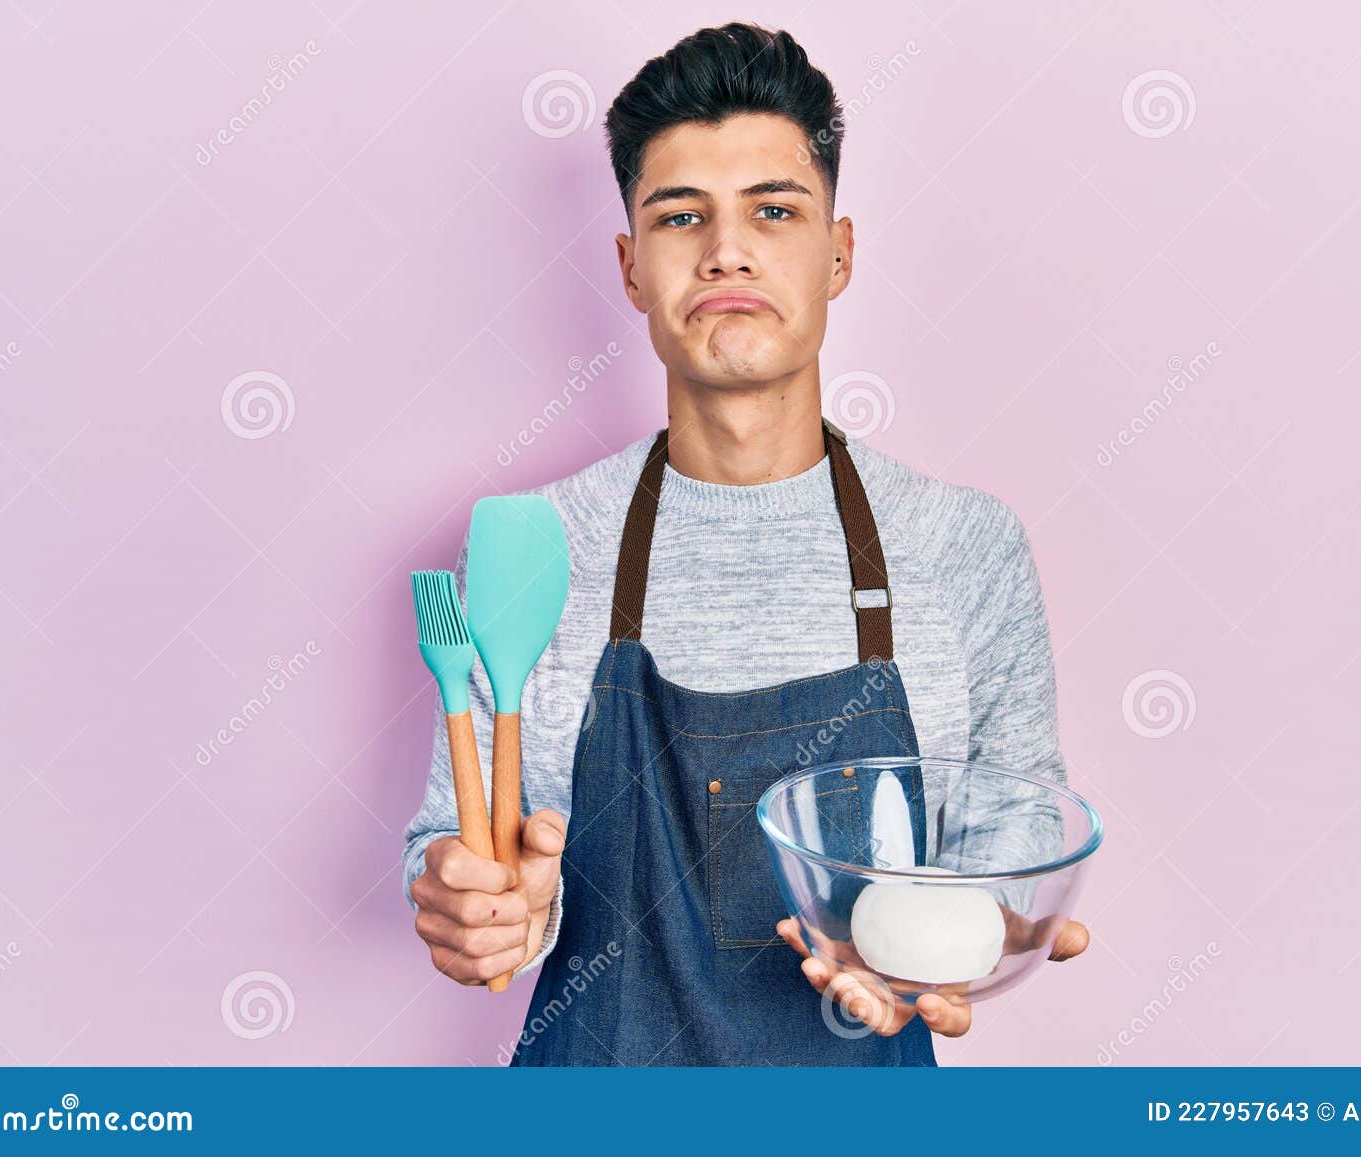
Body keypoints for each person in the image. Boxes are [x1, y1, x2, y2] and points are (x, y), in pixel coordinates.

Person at [404, 21, 1088, 1066]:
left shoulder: (962, 545)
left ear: (839, 253)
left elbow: (1015, 814)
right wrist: (482, 906)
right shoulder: (541, 546)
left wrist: (973, 928)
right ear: (631, 269)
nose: (727, 248)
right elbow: (468, 849)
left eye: (774, 209)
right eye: (682, 217)